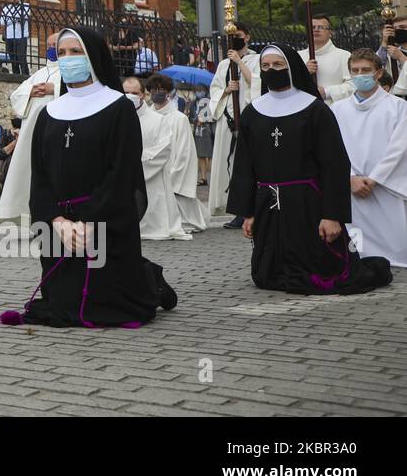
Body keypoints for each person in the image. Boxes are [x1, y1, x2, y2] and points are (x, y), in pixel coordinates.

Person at [0, 27, 178, 327]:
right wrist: (56, 220)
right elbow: (40, 177)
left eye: (76, 52)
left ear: (93, 57)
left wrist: (87, 221)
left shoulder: (118, 108)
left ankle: (149, 280)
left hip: (104, 219)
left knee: (106, 301)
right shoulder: (49, 113)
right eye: (63, 53)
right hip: (59, 225)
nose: (68, 59)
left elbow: (122, 174)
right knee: (62, 303)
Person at [226, 44, 391, 295]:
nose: (272, 70)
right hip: (269, 204)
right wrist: (249, 212)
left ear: (291, 68)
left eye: (278, 65)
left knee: (321, 271)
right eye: (266, 66)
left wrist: (333, 215)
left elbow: (334, 165)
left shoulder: (314, 110)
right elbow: (244, 168)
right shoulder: (253, 113)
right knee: (266, 275)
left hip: (309, 204)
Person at [330, 49, 407, 267]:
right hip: (352, 187)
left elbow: (400, 148)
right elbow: (333, 150)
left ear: (378, 72)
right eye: (355, 71)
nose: (360, 75)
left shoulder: (399, 107)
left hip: (386, 186)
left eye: (366, 70)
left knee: (397, 245)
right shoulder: (337, 109)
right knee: (358, 248)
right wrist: (351, 177)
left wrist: (374, 179)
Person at [0, 32, 62, 225]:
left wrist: (55, 89)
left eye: (55, 45)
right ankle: (28, 217)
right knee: (29, 173)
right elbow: (16, 95)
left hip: (55, 131)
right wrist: (30, 91)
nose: (51, 49)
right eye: (49, 45)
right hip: (31, 133)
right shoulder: (39, 74)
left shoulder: (68, 73)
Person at [123, 76, 189, 242]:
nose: (130, 96)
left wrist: (134, 164)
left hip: (152, 180)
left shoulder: (158, 120)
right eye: (126, 93)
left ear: (143, 95)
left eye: (134, 92)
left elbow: (164, 149)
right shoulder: (115, 120)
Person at [208, 24, 261, 226]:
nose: (234, 39)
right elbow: (214, 91)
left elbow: (257, 83)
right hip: (228, 121)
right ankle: (237, 209)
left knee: (247, 165)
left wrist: (239, 62)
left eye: (238, 35)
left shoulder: (256, 60)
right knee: (230, 165)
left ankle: (251, 209)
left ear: (247, 37)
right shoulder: (223, 65)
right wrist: (226, 91)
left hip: (248, 119)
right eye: (230, 36)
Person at [148, 72, 207, 232]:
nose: (156, 93)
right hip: (152, 172)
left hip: (173, 172)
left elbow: (185, 151)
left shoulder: (179, 118)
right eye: (153, 90)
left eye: (160, 89)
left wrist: (174, 176)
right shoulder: (147, 117)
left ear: (168, 92)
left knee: (181, 213)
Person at [298, 14, 353, 103]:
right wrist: (304, 73)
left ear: (330, 33)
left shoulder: (344, 56)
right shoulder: (298, 56)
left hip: (333, 109)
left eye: (321, 27)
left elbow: (353, 85)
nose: (316, 30)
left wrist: (326, 92)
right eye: (312, 27)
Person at [0, 0, 30, 76]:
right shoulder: (6, 8)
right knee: (13, 59)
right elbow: (2, 22)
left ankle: (25, 77)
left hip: (21, 36)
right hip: (9, 37)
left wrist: (9, 18)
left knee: (21, 59)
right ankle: (16, 76)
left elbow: (24, 17)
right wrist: (15, 18)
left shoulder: (26, 6)